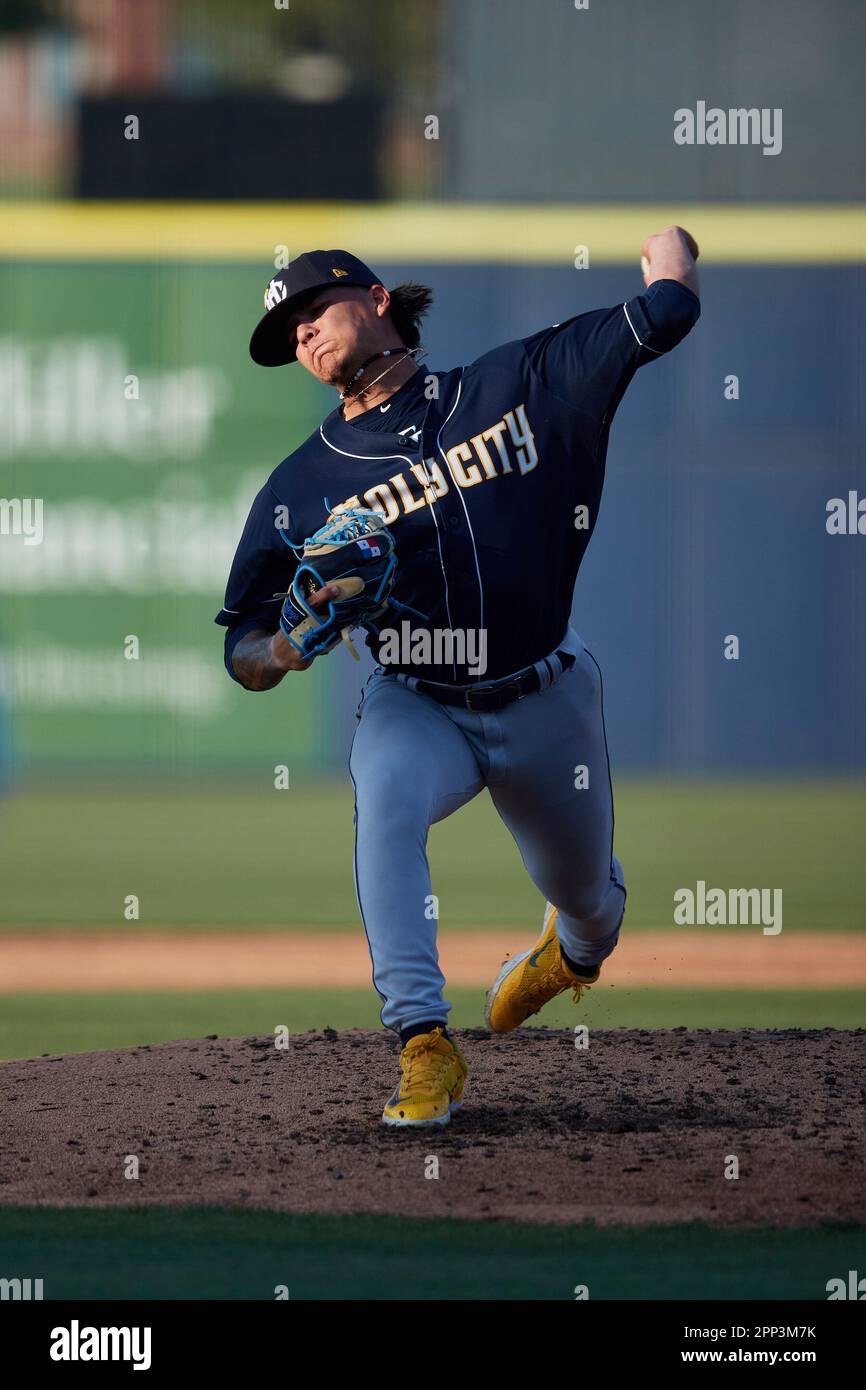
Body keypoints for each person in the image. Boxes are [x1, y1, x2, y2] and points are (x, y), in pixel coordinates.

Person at [217, 229, 700, 1126]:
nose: (301, 337)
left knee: (592, 910)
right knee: (384, 801)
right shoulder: (304, 484)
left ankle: (569, 955)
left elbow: (666, 313)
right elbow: (241, 646)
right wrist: (282, 649)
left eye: (311, 311)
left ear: (377, 302)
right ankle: (423, 1044)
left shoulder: (517, 384)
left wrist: (672, 260)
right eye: (287, 334)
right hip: (418, 701)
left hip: (546, 691)